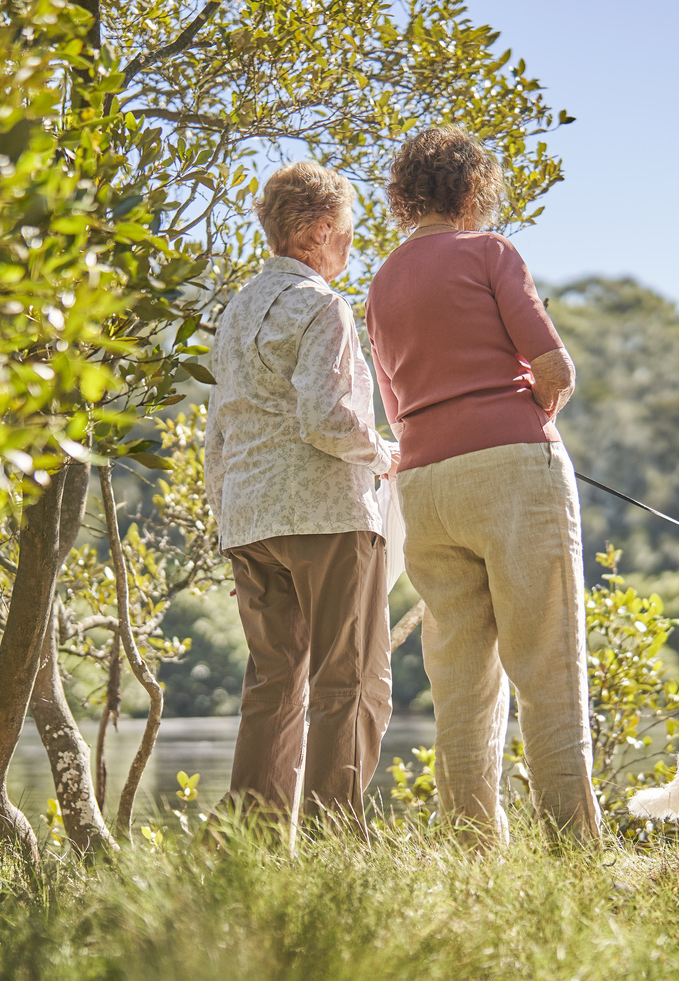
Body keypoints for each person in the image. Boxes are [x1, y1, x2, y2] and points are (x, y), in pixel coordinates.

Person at [364, 126, 602, 845]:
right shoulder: (491, 253)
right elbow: (554, 368)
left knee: (461, 688)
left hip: (425, 484)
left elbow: (394, 405)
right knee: (548, 668)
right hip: (512, 473)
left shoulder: (379, 284)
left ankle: (472, 855)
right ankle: (573, 853)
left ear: (405, 196)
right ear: (475, 189)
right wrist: (531, 412)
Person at [205, 161, 397, 835]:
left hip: (250, 524)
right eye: (347, 230)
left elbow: (218, 431)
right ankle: (333, 843)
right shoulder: (324, 305)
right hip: (326, 517)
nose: (350, 244)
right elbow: (326, 419)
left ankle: (251, 847)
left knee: (273, 688)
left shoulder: (235, 311)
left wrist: (228, 527)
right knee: (353, 682)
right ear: (319, 230)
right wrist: (388, 455)